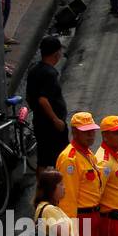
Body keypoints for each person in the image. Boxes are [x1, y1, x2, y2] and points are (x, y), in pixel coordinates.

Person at [26, 36, 68, 168]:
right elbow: (43, 100)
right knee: (63, 158)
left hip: (39, 122)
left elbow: (30, 97)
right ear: (57, 53)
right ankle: (60, 186)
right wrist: (56, 120)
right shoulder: (50, 74)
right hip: (51, 126)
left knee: (43, 160)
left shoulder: (34, 69)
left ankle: (42, 188)